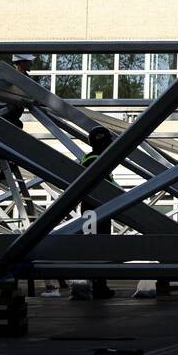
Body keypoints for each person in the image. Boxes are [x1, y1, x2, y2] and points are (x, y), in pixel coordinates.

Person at [77, 125, 116, 300]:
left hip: (93, 209)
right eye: (107, 142)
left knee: (96, 246)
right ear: (101, 142)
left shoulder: (90, 158)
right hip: (94, 210)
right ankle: (98, 285)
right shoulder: (95, 160)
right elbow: (105, 187)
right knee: (97, 247)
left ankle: (98, 283)